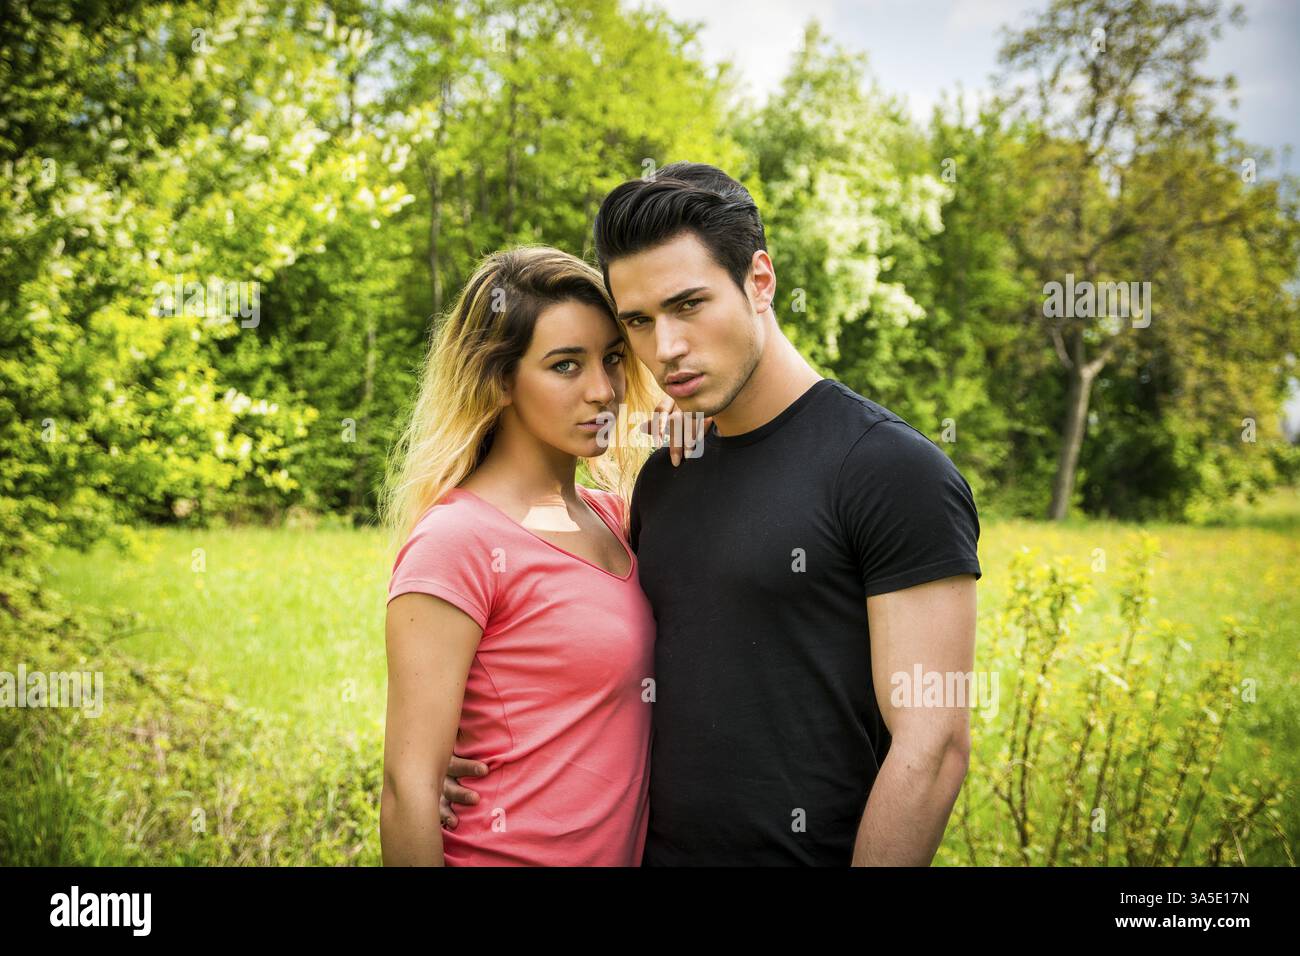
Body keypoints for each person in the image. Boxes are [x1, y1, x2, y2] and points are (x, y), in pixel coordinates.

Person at [442, 163, 983, 866]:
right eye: (638, 321)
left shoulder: (891, 472)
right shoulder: (667, 474)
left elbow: (934, 749)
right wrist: (458, 756)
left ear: (760, 280)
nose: (663, 349)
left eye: (688, 305)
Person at [379, 246, 658, 865]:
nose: (603, 390)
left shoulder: (619, 520)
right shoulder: (457, 541)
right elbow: (407, 789)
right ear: (500, 380)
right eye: (565, 366)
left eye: (612, 358)